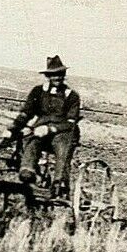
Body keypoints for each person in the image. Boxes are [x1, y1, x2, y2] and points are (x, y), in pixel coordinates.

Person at [11, 55, 81, 196]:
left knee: (62, 147)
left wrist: (50, 129)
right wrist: (13, 128)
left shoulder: (72, 96)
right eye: (54, 75)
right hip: (40, 130)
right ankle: (28, 171)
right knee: (31, 139)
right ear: (48, 76)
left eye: (60, 75)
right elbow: (26, 113)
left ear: (64, 75)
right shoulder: (38, 91)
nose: (57, 78)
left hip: (64, 132)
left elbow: (70, 122)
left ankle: (59, 182)